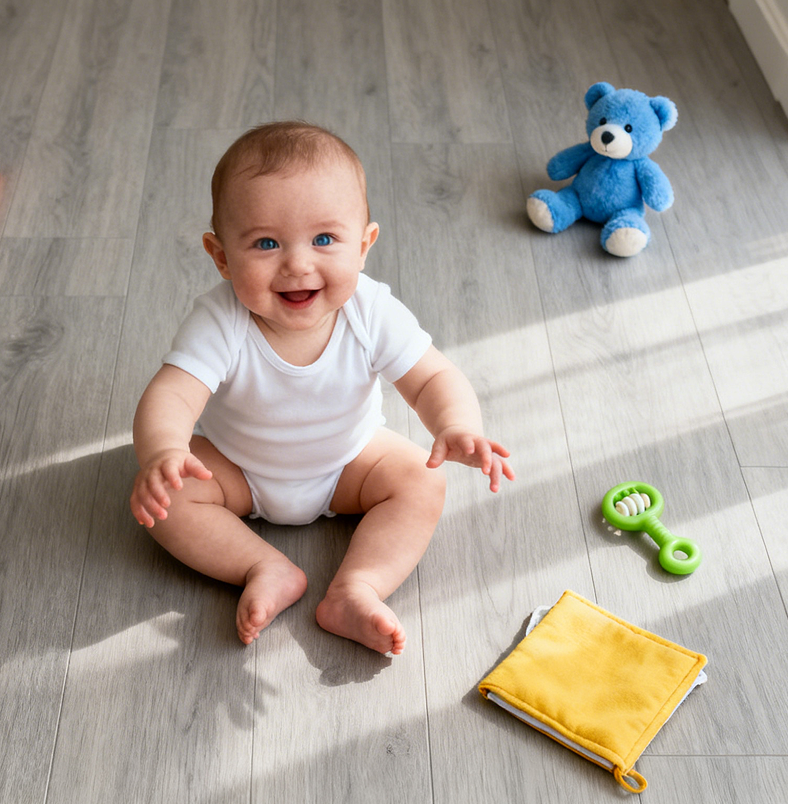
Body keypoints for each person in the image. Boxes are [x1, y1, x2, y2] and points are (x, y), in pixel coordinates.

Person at [130, 122, 514, 655]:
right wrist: (165, 452)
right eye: (266, 243)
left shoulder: (371, 312)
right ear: (221, 257)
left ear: (364, 245)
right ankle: (262, 566)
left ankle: (356, 589)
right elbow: (172, 394)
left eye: (324, 240)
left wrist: (456, 425)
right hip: (236, 467)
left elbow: (432, 377)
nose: (297, 264)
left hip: (349, 464)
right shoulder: (220, 321)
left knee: (422, 484)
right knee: (166, 501)